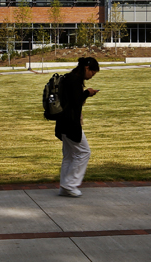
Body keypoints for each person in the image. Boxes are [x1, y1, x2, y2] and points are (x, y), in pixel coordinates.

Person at [55, 56, 100, 198]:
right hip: (71, 122)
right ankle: (70, 184)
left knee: (69, 155)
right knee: (84, 152)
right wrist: (87, 93)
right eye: (92, 72)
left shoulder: (68, 78)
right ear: (86, 68)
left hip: (62, 122)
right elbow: (76, 102)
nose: (92, 76)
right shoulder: (74, 80)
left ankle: (64, 186)